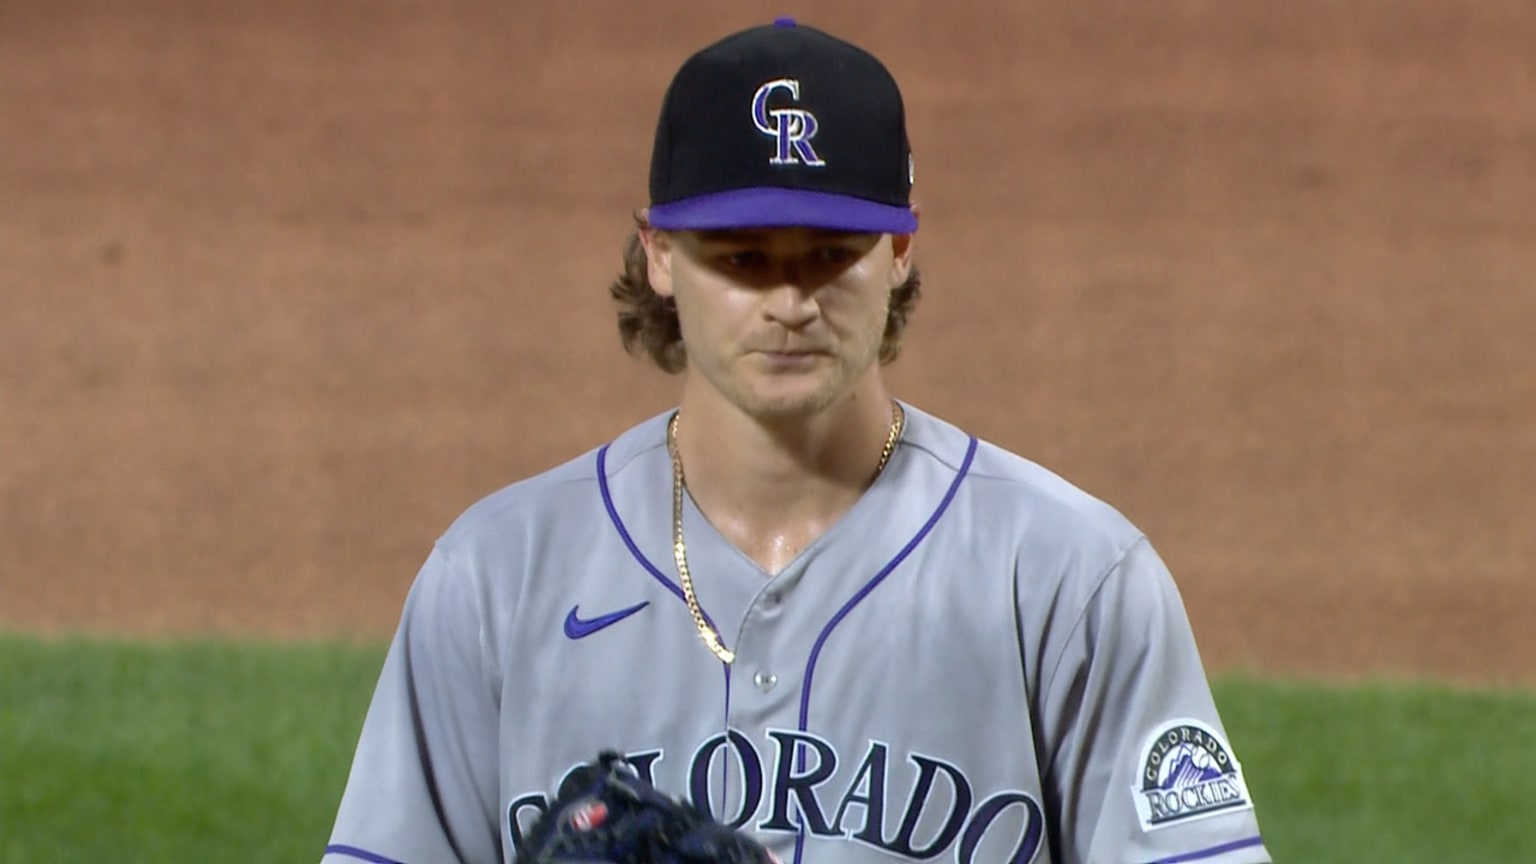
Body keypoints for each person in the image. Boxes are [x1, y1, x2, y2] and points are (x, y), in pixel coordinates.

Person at [321, 18, 1271, 864]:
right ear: (657, 255)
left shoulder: (1071, 580)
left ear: (899, 253)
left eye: (830, 254)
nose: (789, 301)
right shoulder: (497, 577)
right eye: (742, 260)